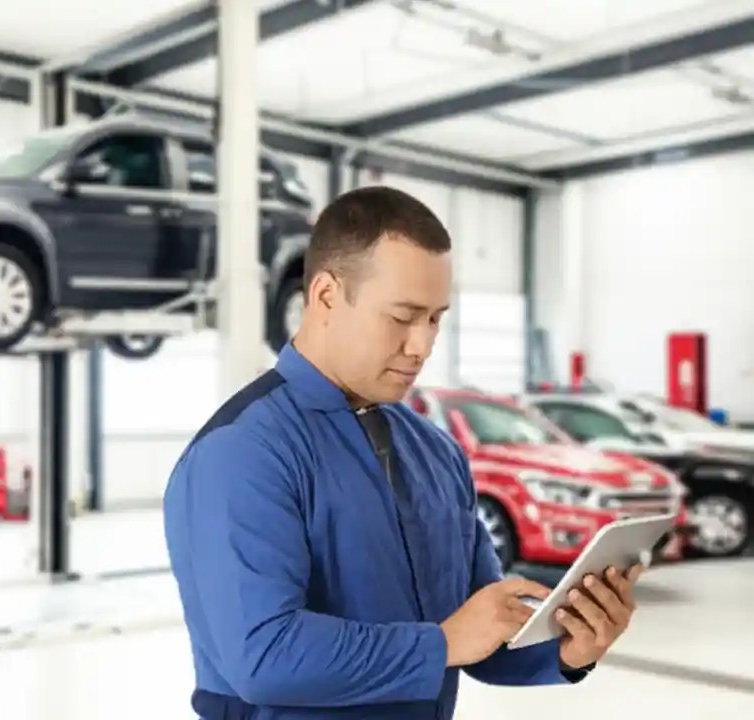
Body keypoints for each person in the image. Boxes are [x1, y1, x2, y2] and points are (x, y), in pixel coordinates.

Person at [162, 186, 643, 720]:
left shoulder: (435, 452)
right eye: (402, 316)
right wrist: (441, 644)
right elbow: (264, 655)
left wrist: (570, 648)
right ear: (325, 296)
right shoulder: (242, 451)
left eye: (435, 318)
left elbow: (480, 628)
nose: (421, 345)